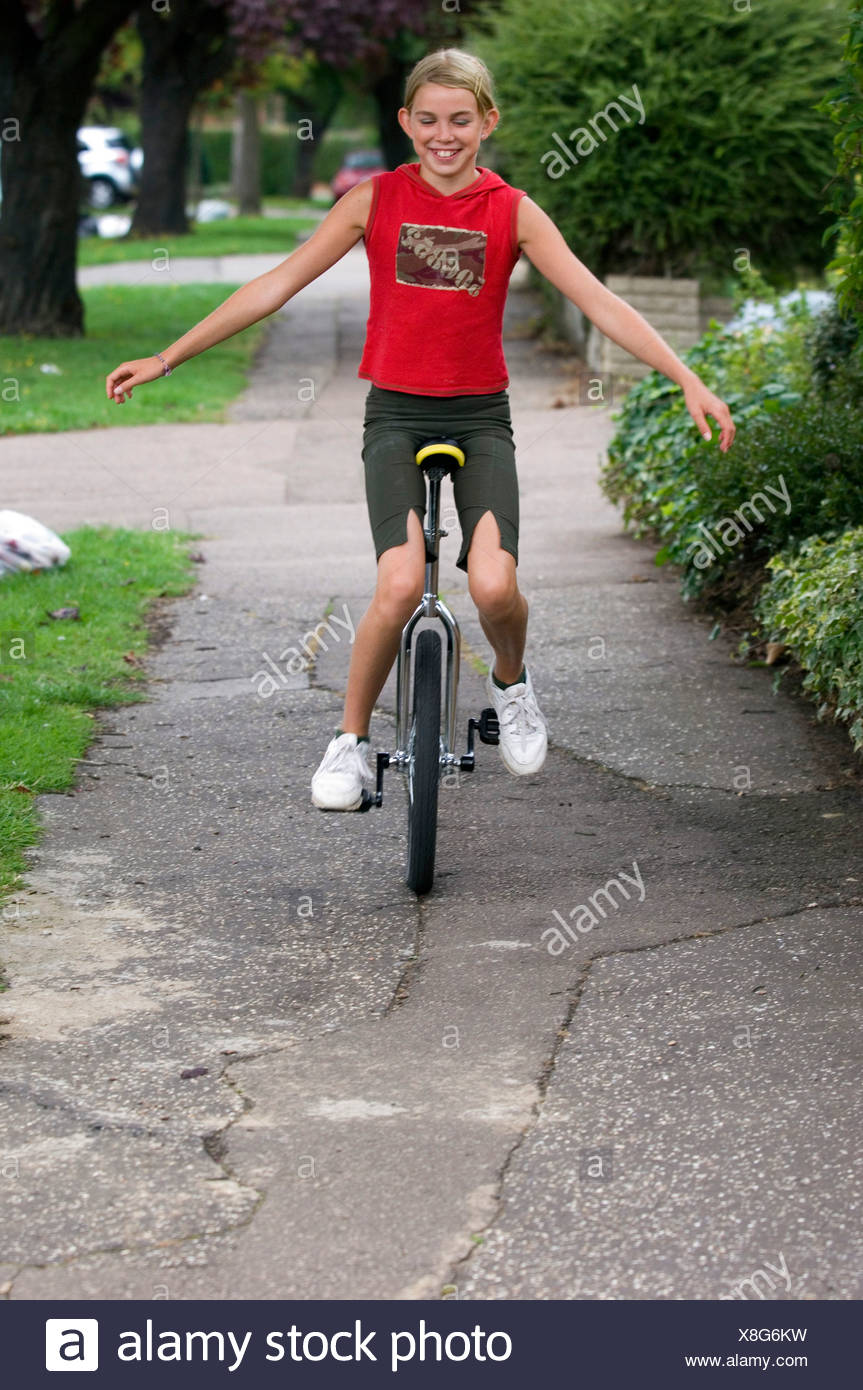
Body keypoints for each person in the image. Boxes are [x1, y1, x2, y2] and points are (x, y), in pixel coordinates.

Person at [106, 48, 735, 813]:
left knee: (494, 584)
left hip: (479, 417)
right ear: (405, 122)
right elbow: (276, 284)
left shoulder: (511, 210)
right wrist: (168, 357)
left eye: (461, 121)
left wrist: (686, 377)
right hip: (396, 416)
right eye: (428, 120)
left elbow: (599, 300)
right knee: (400, 582)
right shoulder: (373, 201)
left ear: (487, 123)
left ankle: (511, 683)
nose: (445, 135)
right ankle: (348, 743)